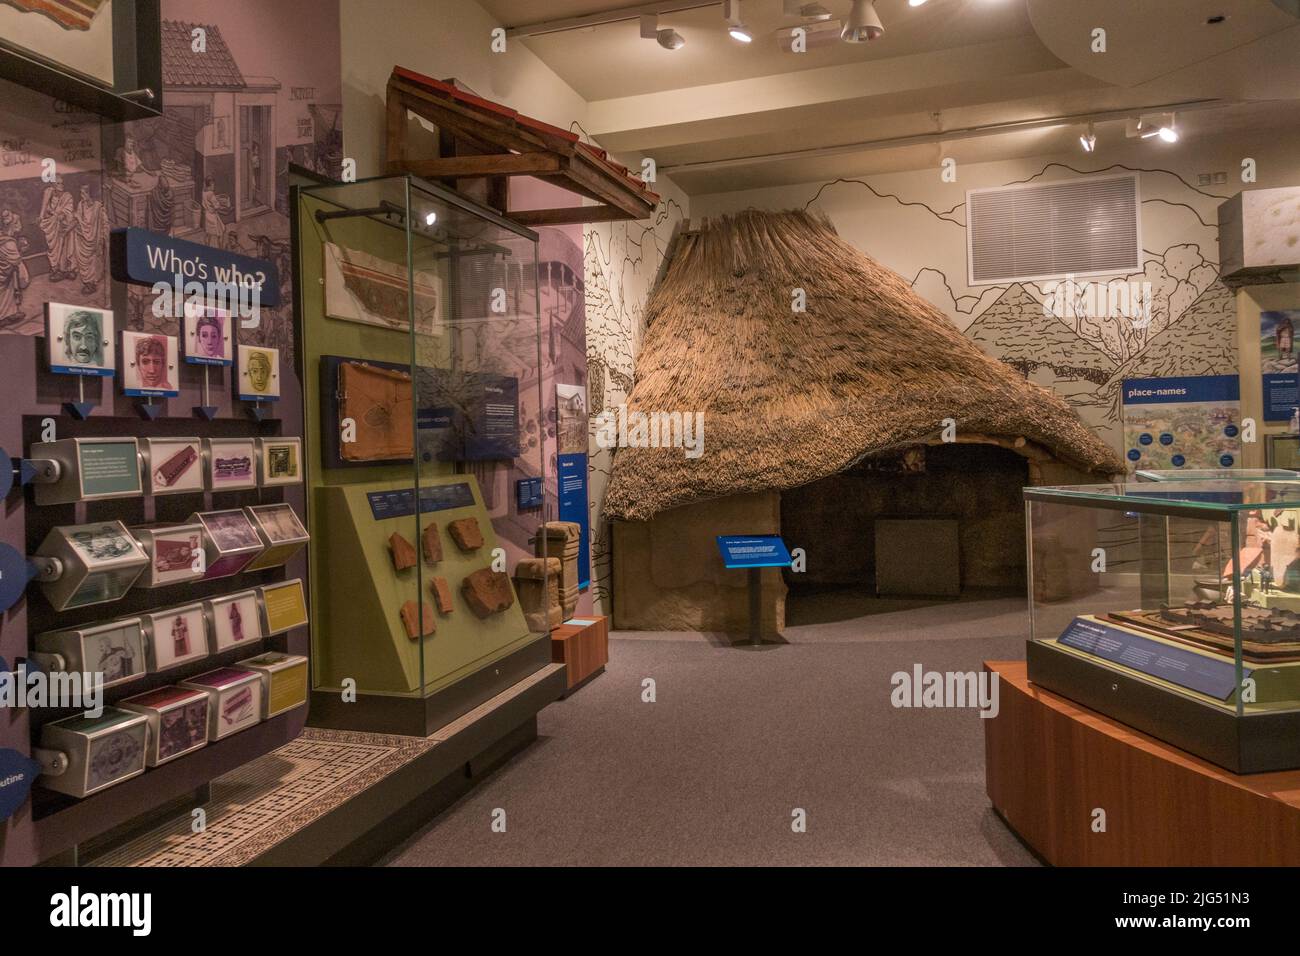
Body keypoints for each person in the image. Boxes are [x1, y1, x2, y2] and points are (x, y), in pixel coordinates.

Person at [39, 176, 77, 281]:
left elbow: (68, 211)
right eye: (58, 184)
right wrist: (51, 214)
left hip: (66, 226)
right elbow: (45, 211)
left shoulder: (67, 196)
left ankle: (68, 270)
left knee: (67, 248)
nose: (61, 186)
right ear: (53, 185)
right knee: (55, 248)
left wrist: (58, 214)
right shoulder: (49, 194)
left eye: (62, 183)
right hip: (54, 227)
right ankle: (57, 270)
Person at [73, 183, 109, 295]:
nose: (81, 195)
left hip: (94, 240)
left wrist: (103, 236)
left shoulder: (98, 207)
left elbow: (105, 223)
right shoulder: (81, 205)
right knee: (83, 262)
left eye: (84, 193)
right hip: (82, 239)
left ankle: (92, 284)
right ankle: (86, 282)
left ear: (90, 194)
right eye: (81, 192)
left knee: (94, 262)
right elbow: (78, 220)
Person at [0, 207, 29, 324]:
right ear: (12, 225)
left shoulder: (3, 237)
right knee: (5, 291)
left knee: (9, 291)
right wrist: (22, 249)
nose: (19, 225)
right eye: (17, 222)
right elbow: (16, 261)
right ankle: (2, 317)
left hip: (4, 273)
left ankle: (10, 314)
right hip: (3, 276)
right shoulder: (9, 243)